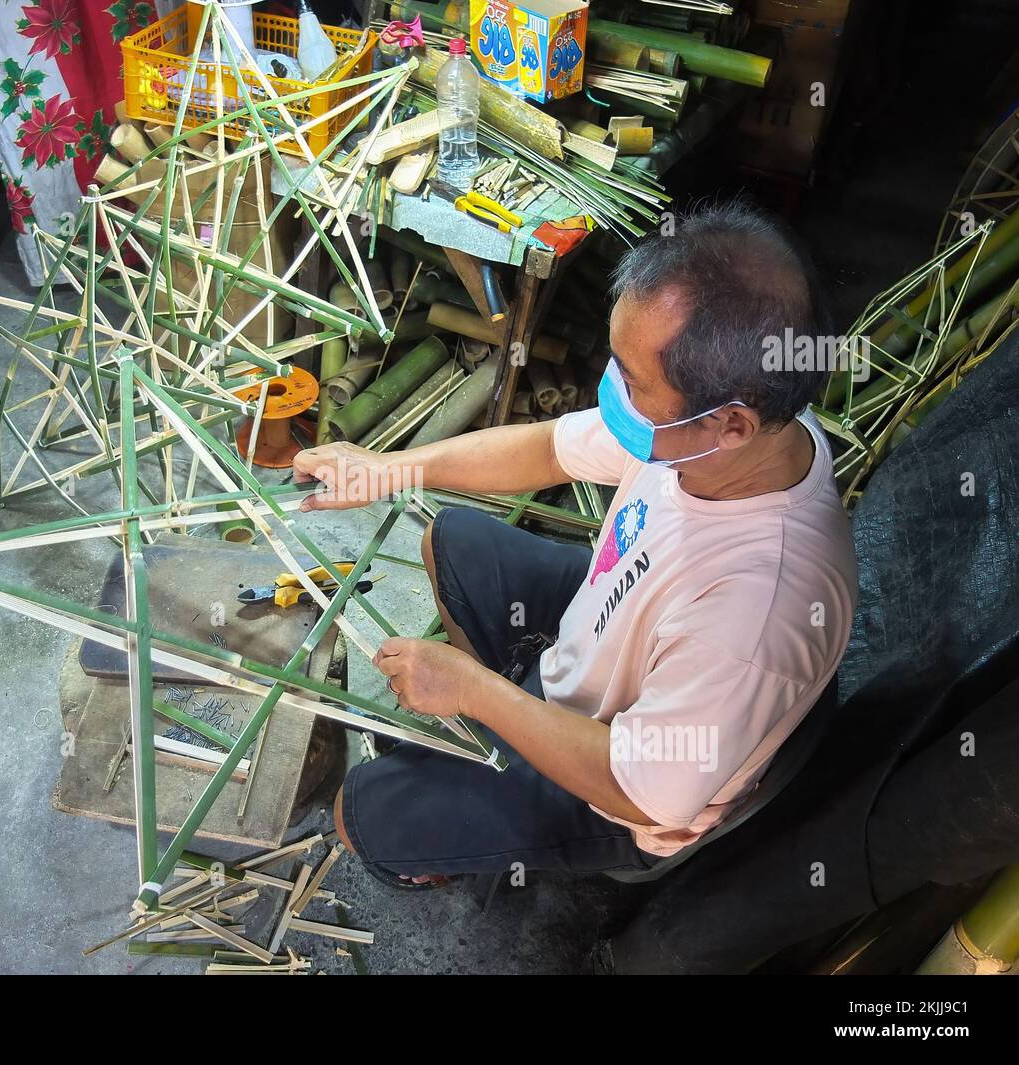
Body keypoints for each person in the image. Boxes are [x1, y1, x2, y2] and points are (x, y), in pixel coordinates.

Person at [293, 202, 858, 889]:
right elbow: (546, 446)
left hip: (620, 791)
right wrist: (390, 466)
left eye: (634, 383)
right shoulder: (725, 435)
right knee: (454, 539)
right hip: (608, 640)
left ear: (731, 424)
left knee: (361, 816)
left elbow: (645, 790)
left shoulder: (754, 616)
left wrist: (475, 691)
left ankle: (485, 797)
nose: (614, 394)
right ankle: (496, 739)